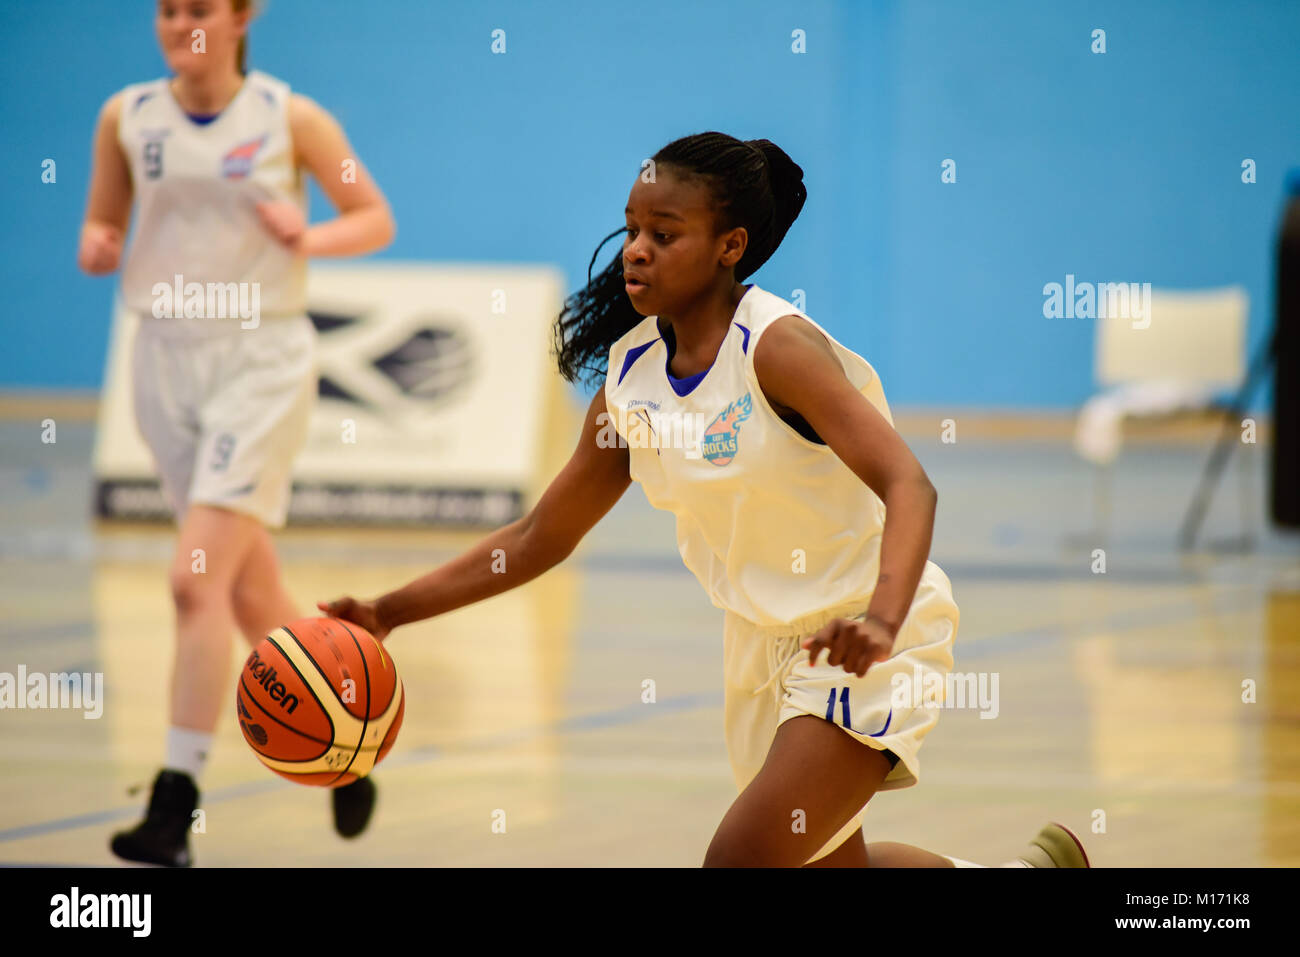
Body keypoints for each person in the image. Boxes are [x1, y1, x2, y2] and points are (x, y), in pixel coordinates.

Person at [319, 131, 1087, 868]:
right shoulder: (629, 382)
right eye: (631, 230)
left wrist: (882, 621)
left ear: (730, 246)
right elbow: (536, 537)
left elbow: (909, 482)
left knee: (739, 858)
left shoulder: (776, 349)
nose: (635, 249)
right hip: (759, 648)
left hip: (866, 628)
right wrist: (389, 611)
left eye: (664, 233)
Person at [79, 0, 395, 866]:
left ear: (241, 16)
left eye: (199, 8)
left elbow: (374, 216)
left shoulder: (291, 117)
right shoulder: (125, 116)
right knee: (250, 595)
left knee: (193, 581)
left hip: (259, 362)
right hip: (161, 357)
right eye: (167, 8)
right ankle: (346, 745)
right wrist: (99, 243)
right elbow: (104, 220)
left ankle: (173, 806)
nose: (179, 22)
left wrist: (311, 233)